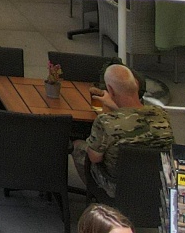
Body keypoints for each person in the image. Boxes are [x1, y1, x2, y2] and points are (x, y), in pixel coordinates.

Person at [72, 64, 174, 199]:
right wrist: (115, 106)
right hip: (156, 185)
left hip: (117, 187)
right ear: (136, 85)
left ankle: (98, 197)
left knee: (78, 147)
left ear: (110, 90)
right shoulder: (162, 114)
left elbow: (94, 158)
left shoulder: (106, 121)